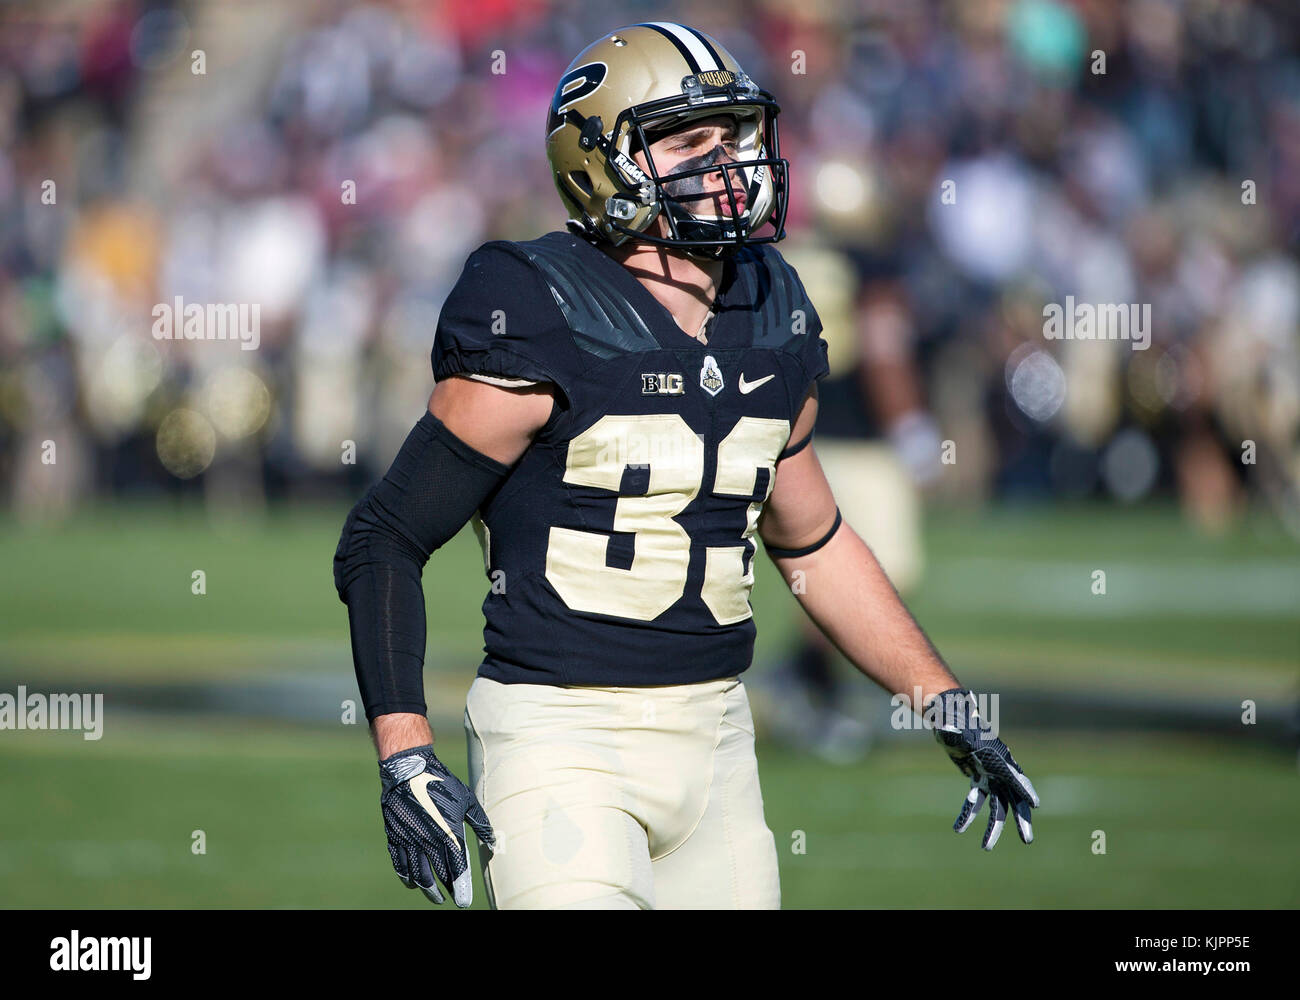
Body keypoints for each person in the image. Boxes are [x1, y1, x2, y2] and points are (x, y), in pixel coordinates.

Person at [333, 22, 1039, 910]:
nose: (730, 162)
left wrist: (944, 702)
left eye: (737, 135)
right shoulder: (536, 303)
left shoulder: (769, 301)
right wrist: (405, 756)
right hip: (562, 739)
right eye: (690, 140)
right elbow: (384, 537)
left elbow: (813, 544)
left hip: (717, 742)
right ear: (602, 162)